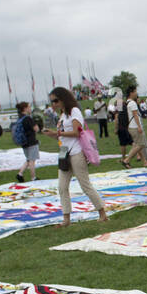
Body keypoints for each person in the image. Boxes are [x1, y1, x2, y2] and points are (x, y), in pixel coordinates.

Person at [51, 87, 107, 226]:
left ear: (63, 99)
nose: (54, 104)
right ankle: (66, 219)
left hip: (76, 152)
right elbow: (63, 135)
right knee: (62, 187)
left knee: (85, 185)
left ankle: (102, 213)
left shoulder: (74, 111)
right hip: (64, 153)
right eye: (52, 101)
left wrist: (58, 134)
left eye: (56, 100)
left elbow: (77, 132)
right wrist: (53, 134)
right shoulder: (62, 115)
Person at [13, 102, 40, 183]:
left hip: (24, 142)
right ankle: (33, 177)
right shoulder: (28, 118)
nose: (30, 109)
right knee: (32, 160)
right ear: (25, 109)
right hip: (31, 141)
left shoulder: (20, 119)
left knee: (28, 159)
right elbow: (36, 129)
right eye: (29, 107)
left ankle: (20, 173)